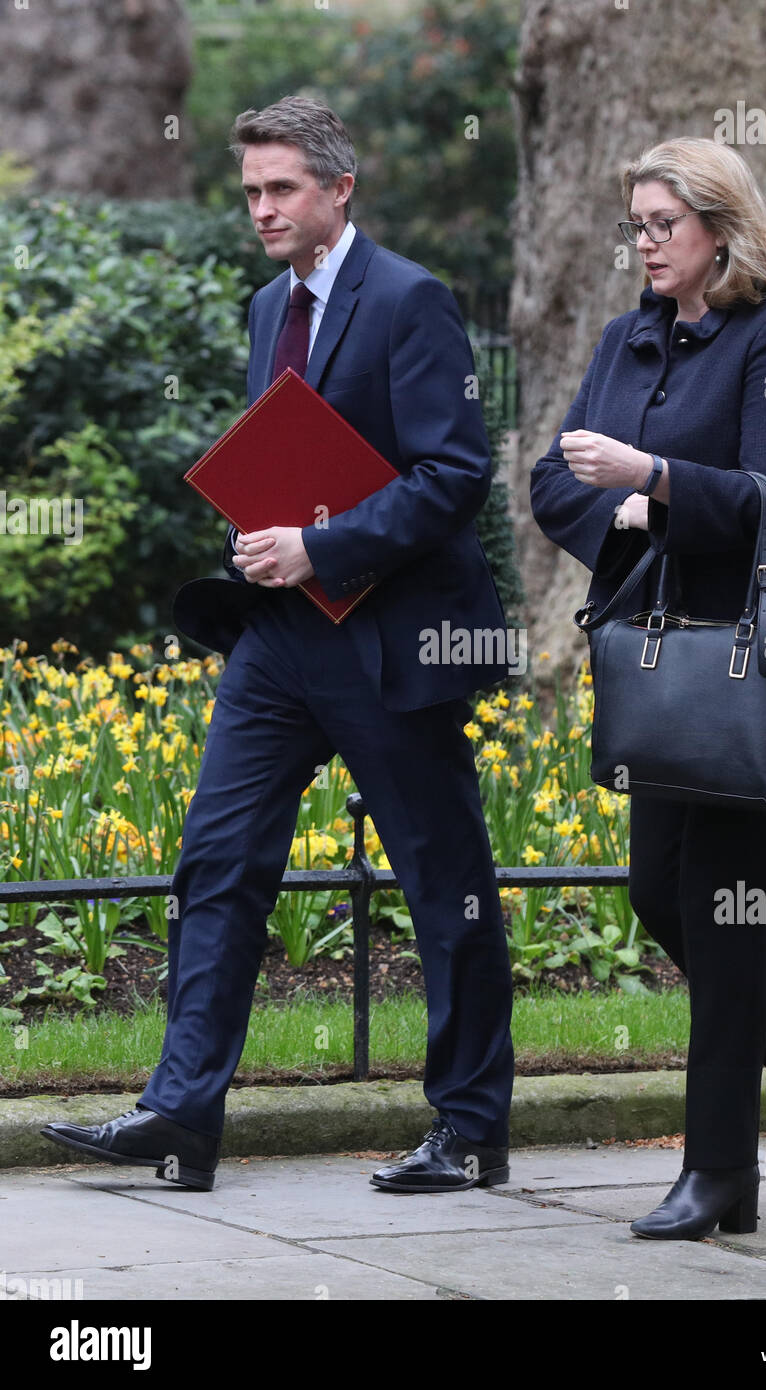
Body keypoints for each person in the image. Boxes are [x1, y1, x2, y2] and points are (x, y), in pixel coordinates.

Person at [42, 96, 515, 1195]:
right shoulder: (270, 305)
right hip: (279, 644)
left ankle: (469, 1126)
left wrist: (321, 547)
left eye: (281, 188)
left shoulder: (411, 300)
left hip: (392, 640)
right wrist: (262, 543)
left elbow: (455, 476)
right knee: (216, 861)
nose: (261, 208)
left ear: (339, 189)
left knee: (443, 881)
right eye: (251, 190)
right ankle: (182, 1113)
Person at [530, 136, 766, 1240]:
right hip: (673, 638)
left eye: (662, 225)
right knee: (659, 892)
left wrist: (648, 482)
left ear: (720, 231)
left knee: (720, 900)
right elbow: (555, 479)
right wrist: (622, 507)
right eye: (635, 224)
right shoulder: (624, 339)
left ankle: (717, 1175)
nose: (643, 243)